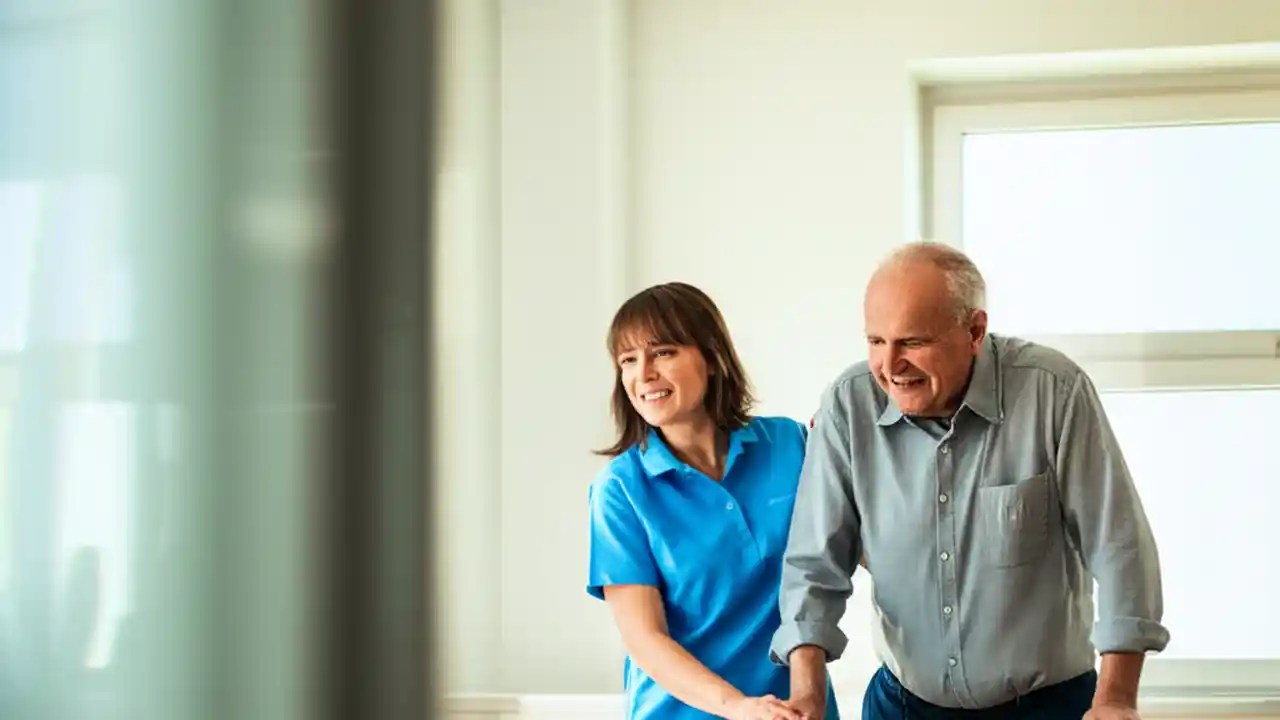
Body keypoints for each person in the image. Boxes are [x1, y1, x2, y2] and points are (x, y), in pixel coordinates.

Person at [772, 242, 1169, 720]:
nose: (889, 366)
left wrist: (1117, 699)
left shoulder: (1052, 392)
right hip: (903, 706)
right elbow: (814, 565)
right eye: (876, 341)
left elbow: (1120, 546)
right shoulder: (848, 405)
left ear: (975, 330)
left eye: (913, 342)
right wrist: (807, 697)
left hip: (1049, 706)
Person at [587, 282, 841, 720]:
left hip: (796, 712)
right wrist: (739, 707)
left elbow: (837, 560)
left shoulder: (789, 445)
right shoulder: (621, 490)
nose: (642, 373)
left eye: (662, 352)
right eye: (628, 360)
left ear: (711, 358)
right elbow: (644, 638)